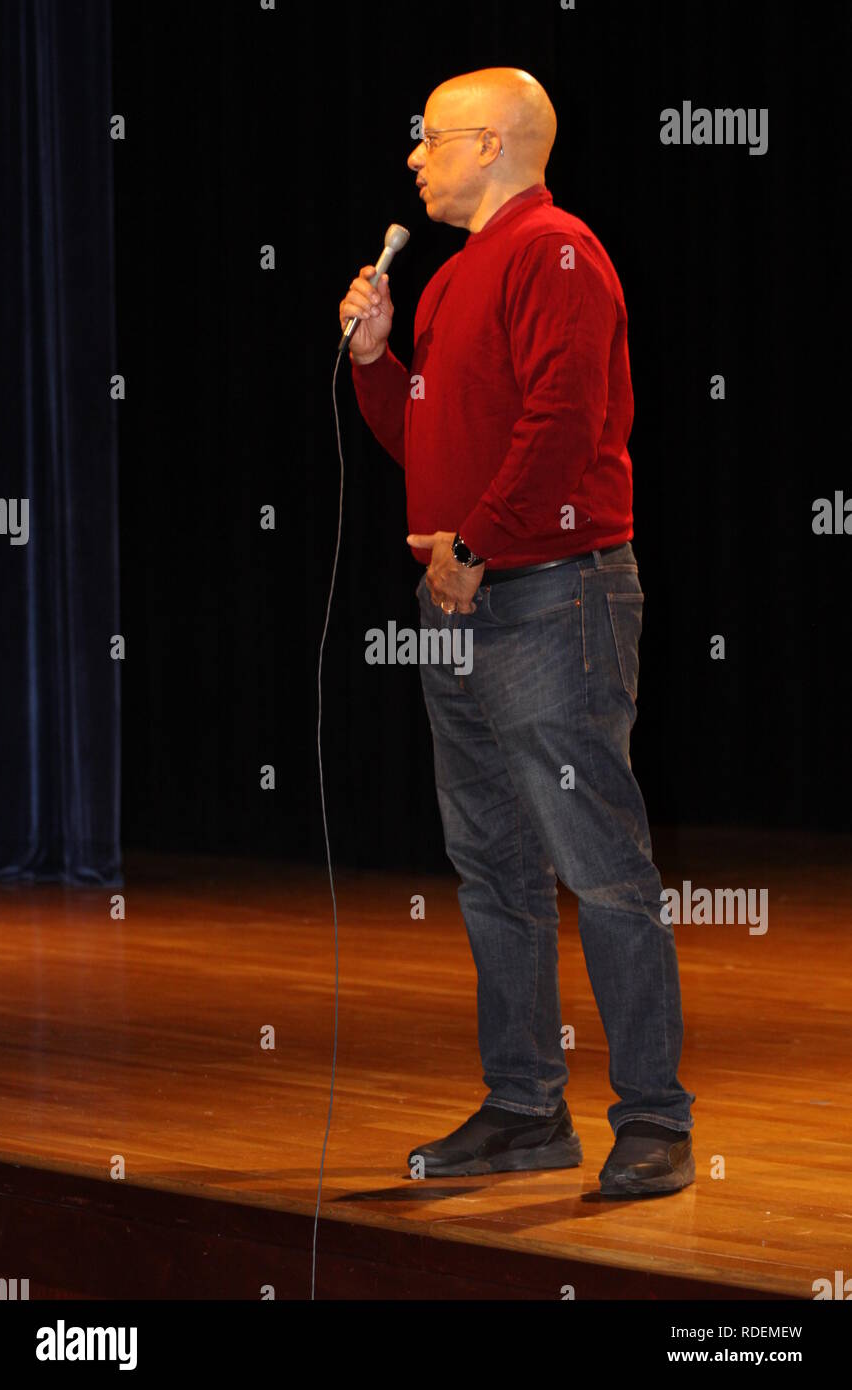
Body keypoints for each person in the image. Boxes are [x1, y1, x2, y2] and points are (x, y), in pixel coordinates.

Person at [338, 67, 695, 1197]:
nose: (414, 157)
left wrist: (477, 547)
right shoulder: (447, 278)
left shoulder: (558, 252)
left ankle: (653, 1118)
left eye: (430, 139)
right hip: (462, 595)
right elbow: (429, 440)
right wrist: (374, 360)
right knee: (491, 867)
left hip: (547, 595)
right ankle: (523, 1107)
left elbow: (562, 421)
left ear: (489, 144)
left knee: (599, 866)